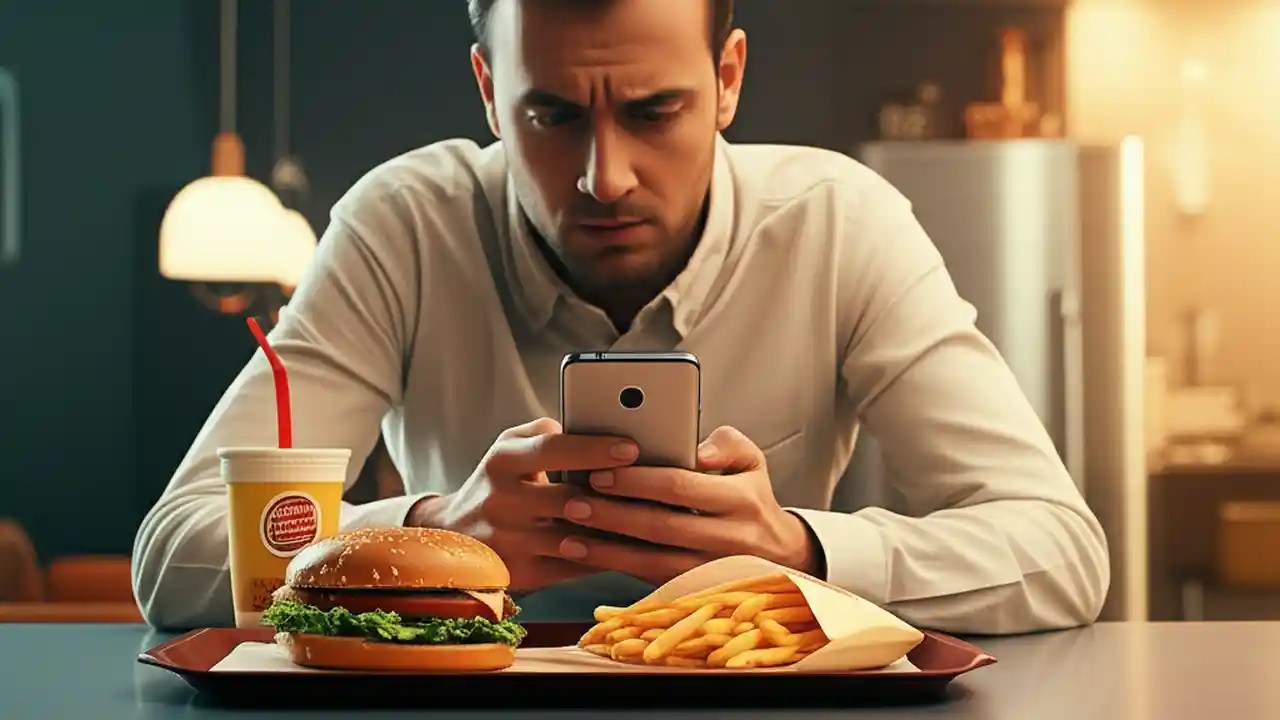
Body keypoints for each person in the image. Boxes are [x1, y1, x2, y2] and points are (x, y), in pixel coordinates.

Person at [132, 0, 1109, 634]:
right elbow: (173, 552)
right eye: (552, 116)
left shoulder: (839, 224)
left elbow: (1060, 553)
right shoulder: (402, 228)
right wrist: (434, 532)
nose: (606, 178)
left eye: (652, 112)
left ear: (728, 79)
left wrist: (798, 551)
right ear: (488, 91)